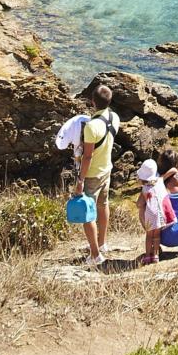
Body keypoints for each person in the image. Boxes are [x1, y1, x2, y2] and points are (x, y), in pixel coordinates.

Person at [55, 84, 121, 266]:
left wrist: (80, 181)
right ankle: (102, 243)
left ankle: (95, 255)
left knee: (88, 213)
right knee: (103, 205)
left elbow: (88, 156)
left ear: (93, 101)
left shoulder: (91, 127)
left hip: (92, 174)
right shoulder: (114, 117)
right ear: (110, 100)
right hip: (106, 169)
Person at [135, 159, 171, 266]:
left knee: (149, 236)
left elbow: (139, 204)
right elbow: (164, 176)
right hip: (160, 214)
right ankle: (155, 256)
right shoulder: (160, 182)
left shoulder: (145, 189)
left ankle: (147, 256)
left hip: (150, 215)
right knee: (156, 236)